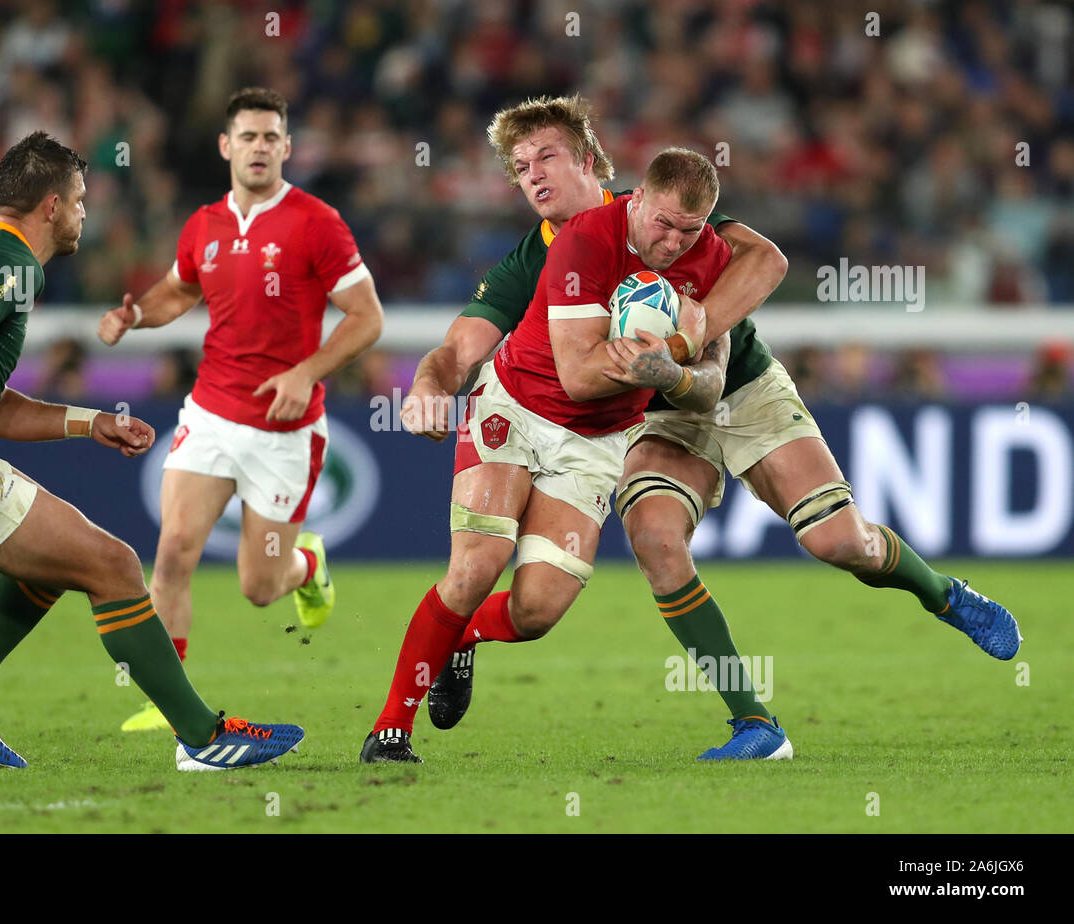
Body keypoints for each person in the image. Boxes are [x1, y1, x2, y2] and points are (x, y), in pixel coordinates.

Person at [393, 96, 1023, 763]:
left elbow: (763, 259)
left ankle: (943, 594)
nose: (533, 175)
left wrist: (694, 336)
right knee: (657, 540)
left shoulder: (659, 207)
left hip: (744, 386)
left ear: (587, 157)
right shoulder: (534, 261)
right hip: (651, 412)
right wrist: (431, 386)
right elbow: (463, 347)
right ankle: (756, 723)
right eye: (519, 167)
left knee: (841, 540)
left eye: (546, 156)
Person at [0, 131, 302, 772]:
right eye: (80, 198)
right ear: (50, 207)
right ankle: (203, 738)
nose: (84, 212)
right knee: (114, 566)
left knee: (53, 568)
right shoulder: (9, 262)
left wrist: (86, 422)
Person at [359, 136, 736, 764]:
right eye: (664, 225)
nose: (674, 243)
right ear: (639, 201)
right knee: (477, 566)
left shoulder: (711, 258)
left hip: (597, 440)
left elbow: (712, 384)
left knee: (537, 611)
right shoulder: (586, 240)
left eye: (689, 231)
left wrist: (672, 377)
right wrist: (659, 363)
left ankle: (459, 638)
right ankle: (390, 730)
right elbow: (578, 379)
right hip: (517, 408)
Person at [98, 88, 384, 733]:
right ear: (226, 147)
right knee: (171, 553)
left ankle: (308, 565)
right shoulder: (204, 224)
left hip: (284, 433)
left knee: (259, 586)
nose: (259, 147)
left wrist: (305, 373)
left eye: (270, 137)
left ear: (286, 148)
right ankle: (168, 700)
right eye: (247, 137)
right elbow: (179, 289)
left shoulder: (317, 223)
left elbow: (368, 318)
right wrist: (136, 314)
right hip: (210, 414)